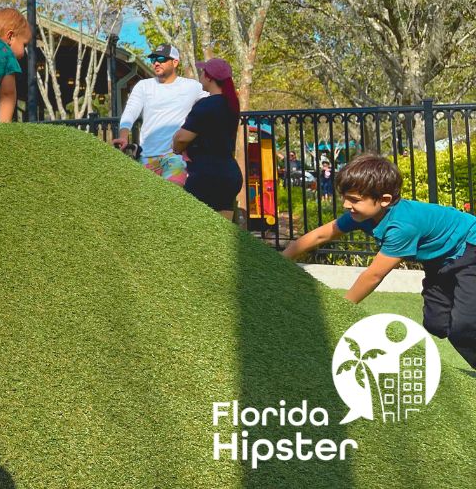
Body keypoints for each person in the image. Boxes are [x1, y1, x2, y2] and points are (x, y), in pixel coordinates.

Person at [282, 154, 476, 368]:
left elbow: (374, 275)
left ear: (384, 200)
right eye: (345, 198)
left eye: (354, 200)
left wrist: (341, 309)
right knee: (436, 324)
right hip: (439, 260)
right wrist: (281, 259)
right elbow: (320, 235)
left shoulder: (402, 226)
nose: (347, 205)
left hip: (469, 249)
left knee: (463, 327)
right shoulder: (361, 215)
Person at [113, 43, 207, 184]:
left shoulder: (191, 86)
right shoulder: (143, 86)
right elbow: (130, 111)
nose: (156, 63)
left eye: (162, 59)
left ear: (175, 62)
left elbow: (214, 102)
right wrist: (123, 136)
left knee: (172, 196)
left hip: (175, 157)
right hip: (147, 157)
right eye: (153, 59)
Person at [172, 58, 243, 221]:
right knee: (221, 233)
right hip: (230, 175)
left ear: (209, 77)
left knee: (193, 229)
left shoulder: (206, 104)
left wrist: (176, 146)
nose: (201, 74)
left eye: (203, 72)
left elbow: (183, 137)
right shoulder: (231, 104)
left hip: (206, 176)